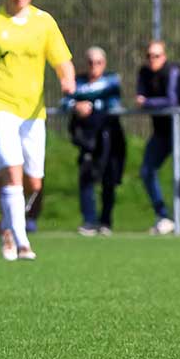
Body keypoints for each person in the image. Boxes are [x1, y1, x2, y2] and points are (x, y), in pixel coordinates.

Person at [0, 0, 74, 260]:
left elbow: (62, 60)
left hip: (33, 113)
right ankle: (20, 240)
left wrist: (68, 81)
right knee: (12, 169)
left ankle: (6, 221)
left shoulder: (44, 22)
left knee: (33, 182)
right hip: (2, 107)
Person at [63, 47, 125, 236]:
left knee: (109, 178)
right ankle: (89, 221)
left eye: (98, 62)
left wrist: (90, 102)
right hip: (87, 138)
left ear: (104, 64)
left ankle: (105, 221)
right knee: (87, 177)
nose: (94, 66)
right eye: (90, 62)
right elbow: (65, 101)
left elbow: (112, 102)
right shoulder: (79, 82)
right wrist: (76, 105)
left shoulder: (111, 80)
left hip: (109, 136)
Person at [136, 40, 180, 235]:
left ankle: (176, 220)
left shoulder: (173, 71)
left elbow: (172, 100)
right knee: (147, 170)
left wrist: (148, 102)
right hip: (161, 132)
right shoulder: (143, 73)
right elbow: (138, 98)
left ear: (164, 56)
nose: (152, 60)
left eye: (157, 56)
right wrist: (145, 102)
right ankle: (163, 215)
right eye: (149, 56)